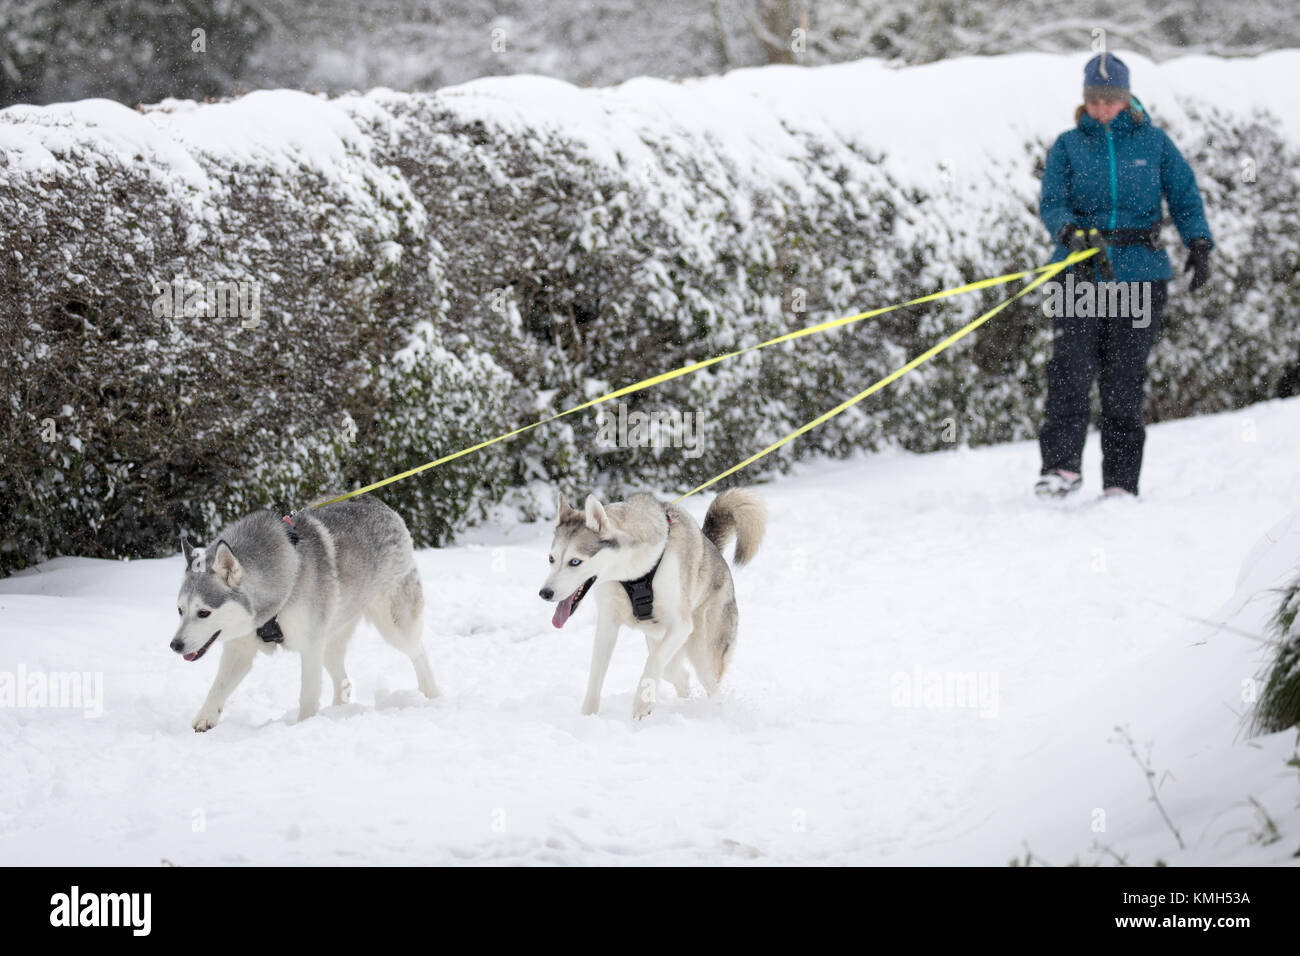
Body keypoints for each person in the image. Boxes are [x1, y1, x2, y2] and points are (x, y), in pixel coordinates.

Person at [1035, 52, 1212, 500]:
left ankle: (1119, 482)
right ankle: (1060, 469)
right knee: (1070, 372)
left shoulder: (1154, 144)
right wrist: (1067, 230)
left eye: (1109, 100)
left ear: (1127, 98)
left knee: (1123, 382)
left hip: (1139, 275)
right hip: (1081, 272)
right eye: (1093, 100)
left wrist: (1199, 242)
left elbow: (1185, 196)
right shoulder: (1068, 145)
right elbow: (1052, 200)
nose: (1101, 109)